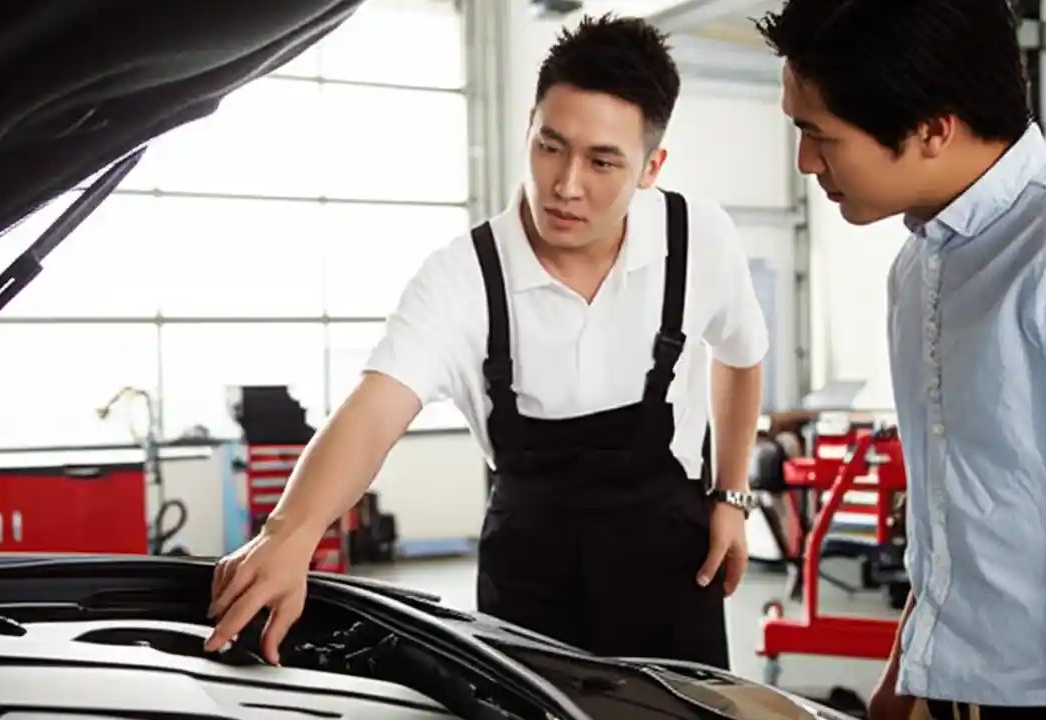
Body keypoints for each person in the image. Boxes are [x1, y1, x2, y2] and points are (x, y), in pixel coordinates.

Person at [205, 13, 768, 669]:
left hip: (673, 562)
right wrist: (288, 534)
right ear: (528, 128)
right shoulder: (462, 276)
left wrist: (730, 496)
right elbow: (373, 410)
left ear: (651, 167)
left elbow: (740, 352)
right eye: (550, 146)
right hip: (530, 576)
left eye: (603, 161)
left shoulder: (699, 238)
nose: (566, 184)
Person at [756, 1, 1046, 718]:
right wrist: (907, 673)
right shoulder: (919, 265)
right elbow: (953, 513)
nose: (806, 162)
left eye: (817, 135)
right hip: (951, 690)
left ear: (932, 128)